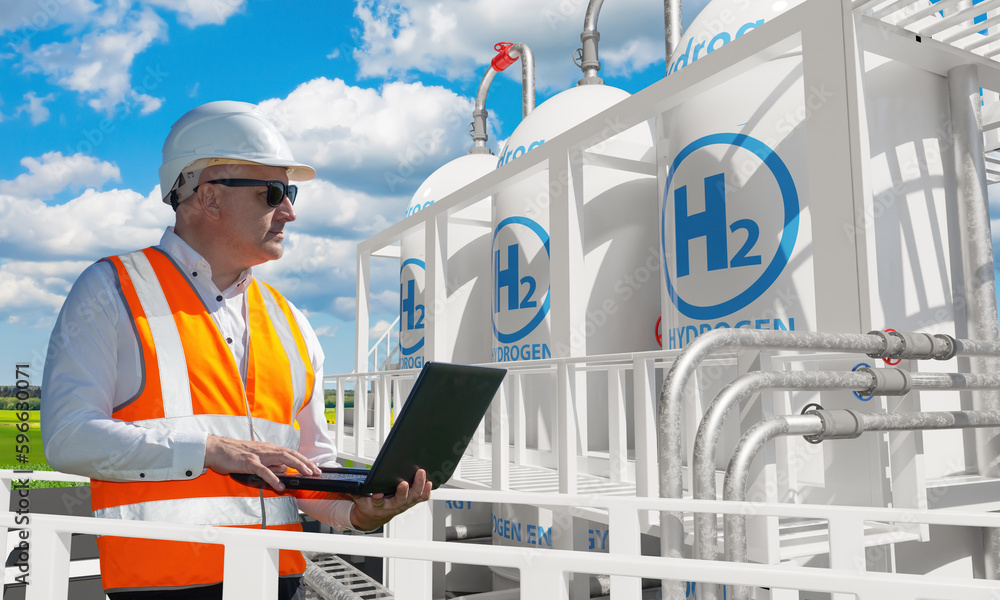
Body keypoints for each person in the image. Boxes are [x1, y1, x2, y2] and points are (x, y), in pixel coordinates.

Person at [40, 101, 432, 600]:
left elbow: (308, 468)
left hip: (278, 581)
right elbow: (68, 437)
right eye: (274, 192)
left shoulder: (292, 323)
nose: (290, 210)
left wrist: (356, 511)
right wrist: (207, 450)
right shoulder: (111, 290)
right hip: (163, 586)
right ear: (208, 197)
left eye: (289, 193)